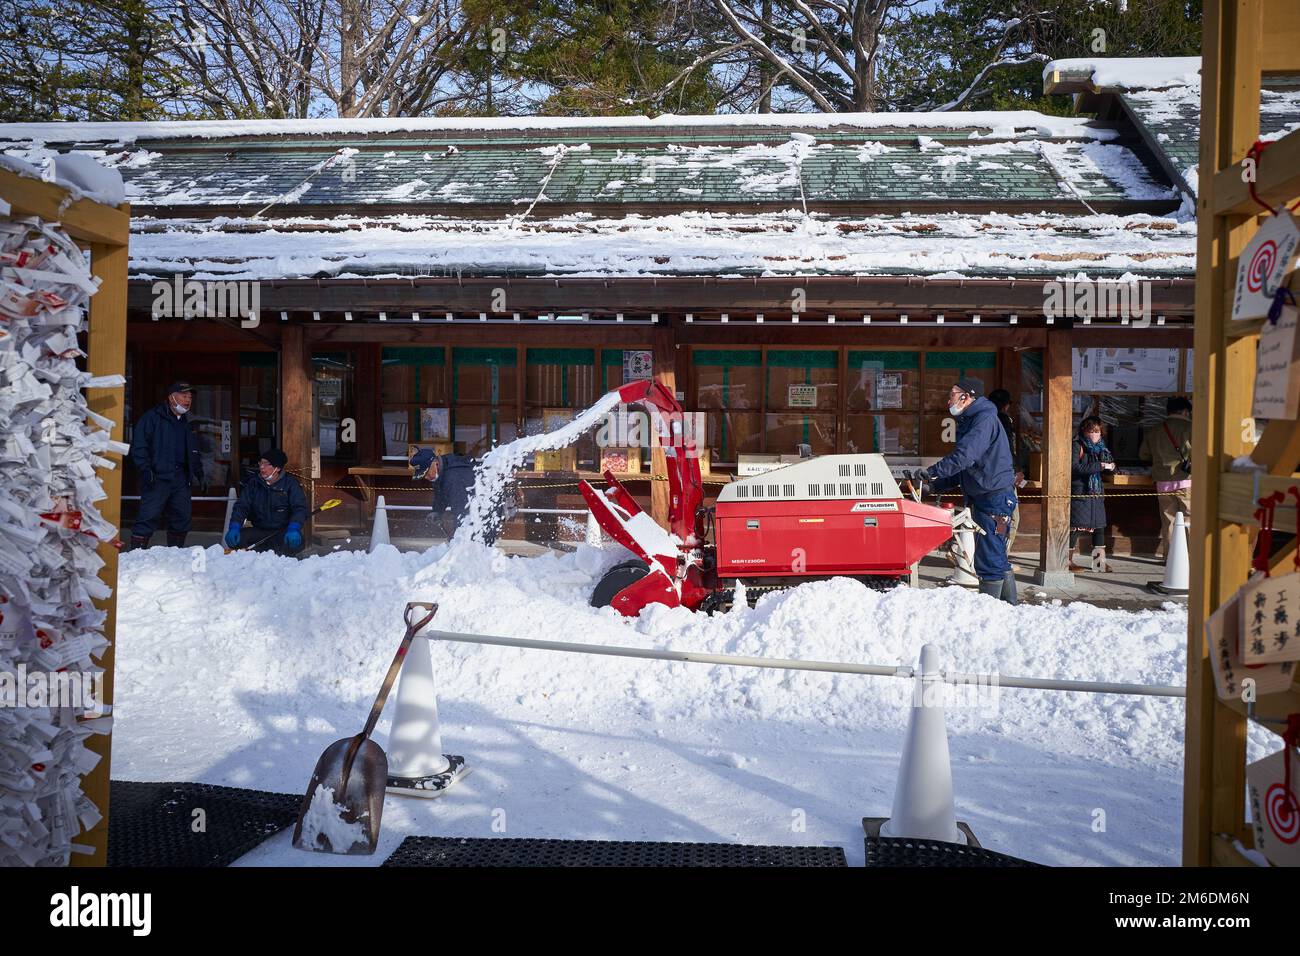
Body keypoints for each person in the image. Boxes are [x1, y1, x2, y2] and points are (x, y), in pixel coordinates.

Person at [908, 377, 1019, 605]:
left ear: (965, 397)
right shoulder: (972, 419)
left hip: (994, 497)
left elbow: (964, 457)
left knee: (990, 558)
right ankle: (1010, 610)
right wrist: (934, 485)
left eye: (952, 395)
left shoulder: (984, 419)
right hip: (983, 495)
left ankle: (994, 613)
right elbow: (966, 469)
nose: (948, 400)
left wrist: (932, 472)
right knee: (995, 556)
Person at [130, 381, 202, 549]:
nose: (188, 400)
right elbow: (139, 447)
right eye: (184, 396)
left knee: (182, 518)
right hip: (157, 477)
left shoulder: (187, 421)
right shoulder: (152, 418)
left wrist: (199, 472)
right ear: (171, 397)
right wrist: (146, 470)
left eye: (190, 397)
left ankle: (174, 554)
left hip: (181, 478)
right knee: (148, 517)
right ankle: (136, 557)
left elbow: (192, 449)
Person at [223, 449, 308, 555]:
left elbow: (299, 508)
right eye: (261, 463)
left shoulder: (290, 484)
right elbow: (242, 506)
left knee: (296, 543)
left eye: (266, 464)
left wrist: (294, 527)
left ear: (277, 468)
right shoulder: (253, 484)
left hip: (282, 531)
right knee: (238, 539)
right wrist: (234, 526)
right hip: (259, 530)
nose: (261, 467)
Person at [1139, 397, 1192, 559]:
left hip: (1162, 481)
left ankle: (1170, 559)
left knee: (1169, 522)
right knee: (1190, 521)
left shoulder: (1155, 430)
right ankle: (1190, 558)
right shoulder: (1192, 428)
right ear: (1185, 411)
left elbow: (1143, 455)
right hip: (1186, 480)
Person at [1069, 416, 1116, 572]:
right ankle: (1067, 561)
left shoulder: (1102, 448)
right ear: (1084, 430)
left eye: (1097, 431)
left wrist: (1110, 466)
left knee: (1099, 527)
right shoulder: (1077, 445)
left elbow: (1111, 468)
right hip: (1081, 491)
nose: (1095, 435)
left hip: (1096, 492)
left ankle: (1099, 562)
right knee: (1075, 527)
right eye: (1092, 431)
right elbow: (1074, 468)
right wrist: (1099, 466)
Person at [987, 388, 1024, 562]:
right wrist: (1017, 470)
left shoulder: (982, 420)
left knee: (985, 518)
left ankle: (971, 551)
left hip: (983, 478)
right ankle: (1001, 556)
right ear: (1006, 406)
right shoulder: (1003, 420)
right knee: (1011, 518)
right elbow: (1008, 448)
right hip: (1003, 476)